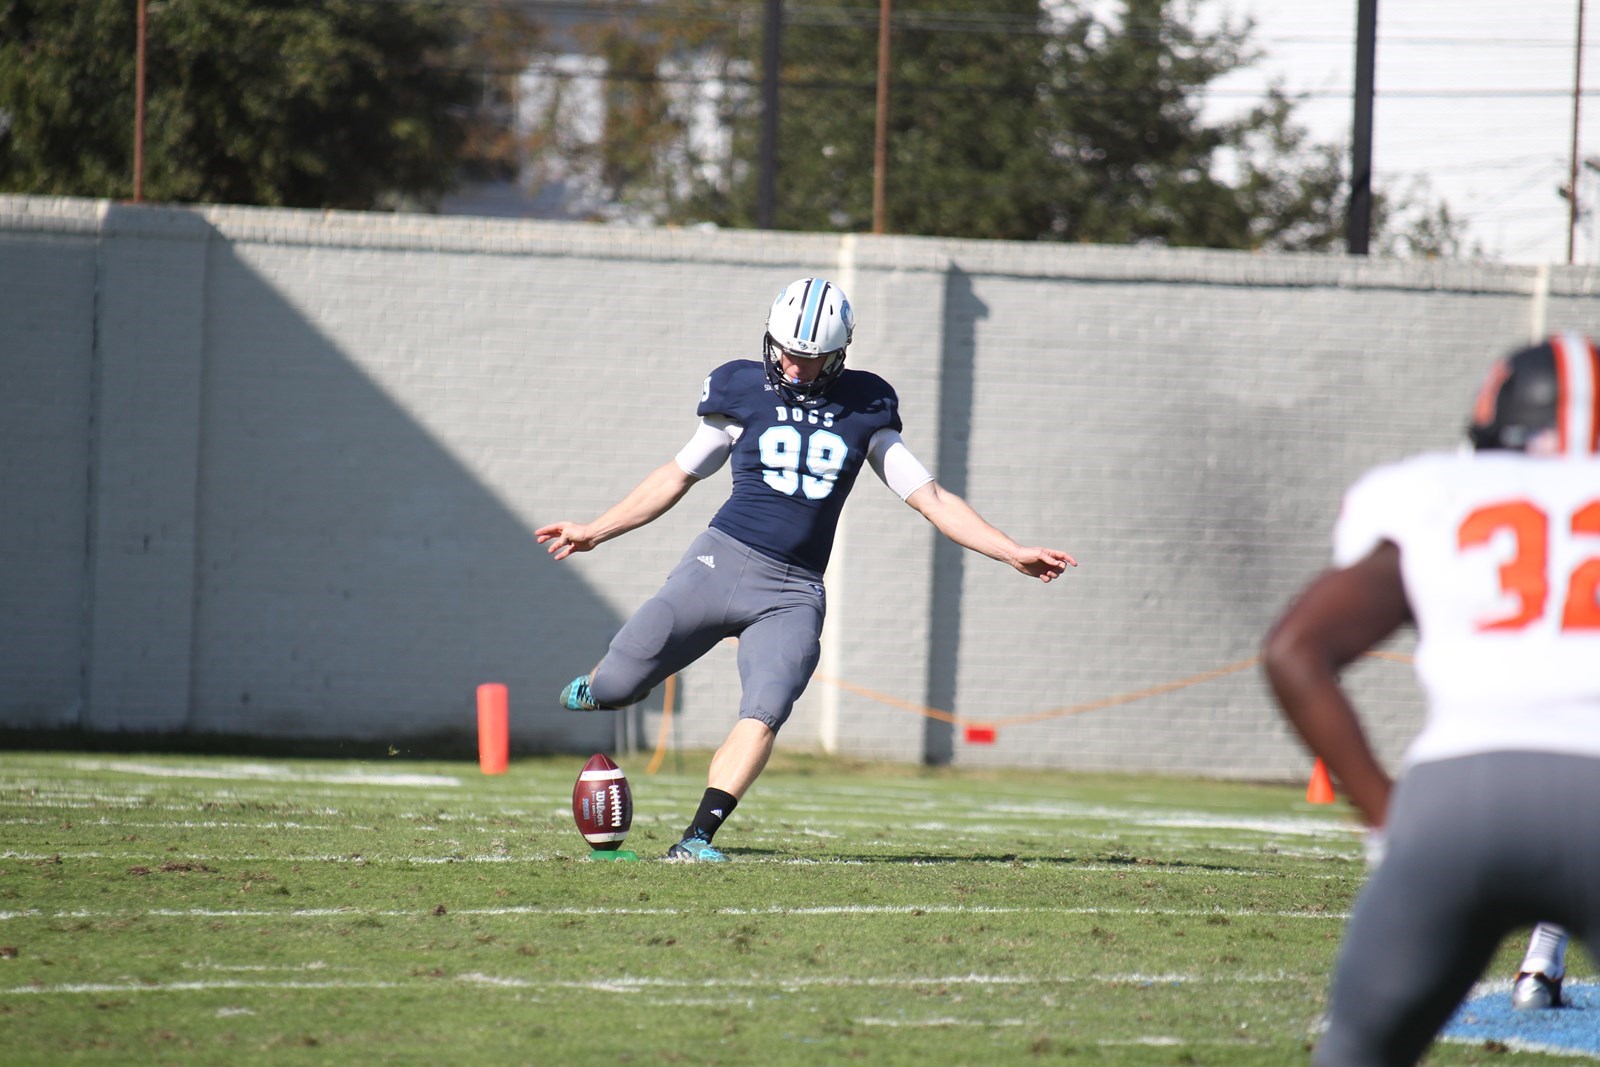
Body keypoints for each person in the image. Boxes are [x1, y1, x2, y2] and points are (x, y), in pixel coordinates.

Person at [536, 278, 1077, 862]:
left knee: (767, 708)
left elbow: (933, 498)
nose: (796, 367)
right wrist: (596, 529)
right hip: (718, 563)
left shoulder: (865, 406)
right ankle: (600, 688)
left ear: (839, 354)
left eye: (812, 357)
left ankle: (697, 838)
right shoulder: (740, 388)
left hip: (792, 592)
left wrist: (1011, 551)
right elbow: (677, 475)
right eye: (789, 352)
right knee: (618, 687)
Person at [1262, 333, 1600, 1066]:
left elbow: (1294, 651)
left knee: (1359, 1049)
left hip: (1460, 797)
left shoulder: (1434, 490)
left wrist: (1384, 813)